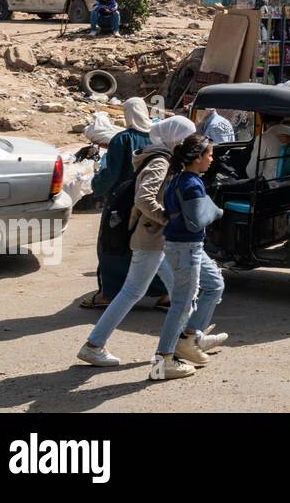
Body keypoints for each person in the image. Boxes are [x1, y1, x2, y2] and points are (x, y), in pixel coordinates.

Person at [76, 116, 200, 367]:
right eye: (186, 138)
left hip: (157, 237)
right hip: (151, 236)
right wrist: (167, 218)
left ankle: (189, 339)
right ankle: (94, 345)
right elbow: (144, 198)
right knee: (133, 290)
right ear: (175, 137)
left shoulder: (163, 157)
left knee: (178, 291)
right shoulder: (160, 161)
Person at [151, 134, 227, 381]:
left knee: (215, 285)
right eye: (209, 155)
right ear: (197, 158)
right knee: (182, 305)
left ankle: (190, 338)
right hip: (186, 249)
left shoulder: (180, 179)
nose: (212, 159)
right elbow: (196, 222)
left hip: (187, 247)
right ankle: (162, 363)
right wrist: (216, 211)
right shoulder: (191, 184)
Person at [79, 99, 155, 310]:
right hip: (150, 203)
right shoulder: (157, 136)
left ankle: (108, 293)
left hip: (121, 204)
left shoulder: (122, 139)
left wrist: (95, 186)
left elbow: (110, 175)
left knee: (112, 246)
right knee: (149, 248)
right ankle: (163, 293)